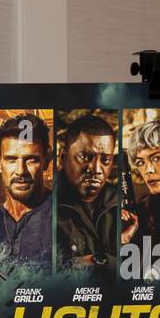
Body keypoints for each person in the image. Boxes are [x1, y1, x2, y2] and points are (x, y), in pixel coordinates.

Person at [57, 114, 119, 271]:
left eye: (105, 160)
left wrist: (93, 261)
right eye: (84, 157)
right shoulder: (44, 205)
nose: (96, 169)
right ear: (63, 157)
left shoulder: (122, 203)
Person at [0, 113, 53, 270]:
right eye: (11, 159)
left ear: (46, 161)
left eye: (31, 160)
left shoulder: (64, 219)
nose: (20, 171)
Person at [121, 116, 160, 250]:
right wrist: (124, 240)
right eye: (140, 162)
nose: (148, 170)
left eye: (156, 158)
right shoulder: (139, 213)